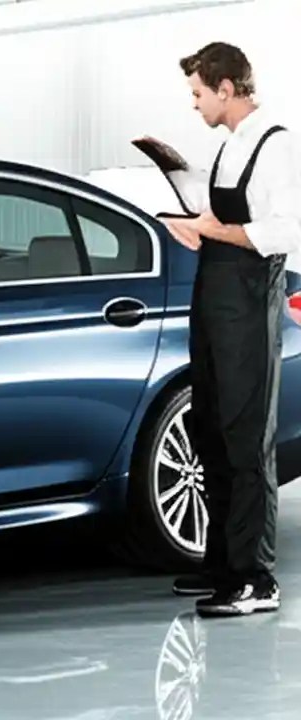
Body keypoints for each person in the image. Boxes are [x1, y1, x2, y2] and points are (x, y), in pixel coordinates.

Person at [142, 42, 301, 617]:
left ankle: (255, 577)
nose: (194, 104)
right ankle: (221, 564)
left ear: (226, 88)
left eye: (197, 93)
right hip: (214, 298)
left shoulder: (275, 143)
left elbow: (284, 231)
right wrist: (193, 227)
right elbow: (225, 223)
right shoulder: (231, 145)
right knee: (209, 425)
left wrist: (216, 230)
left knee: (246, 435)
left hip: (250, 301)